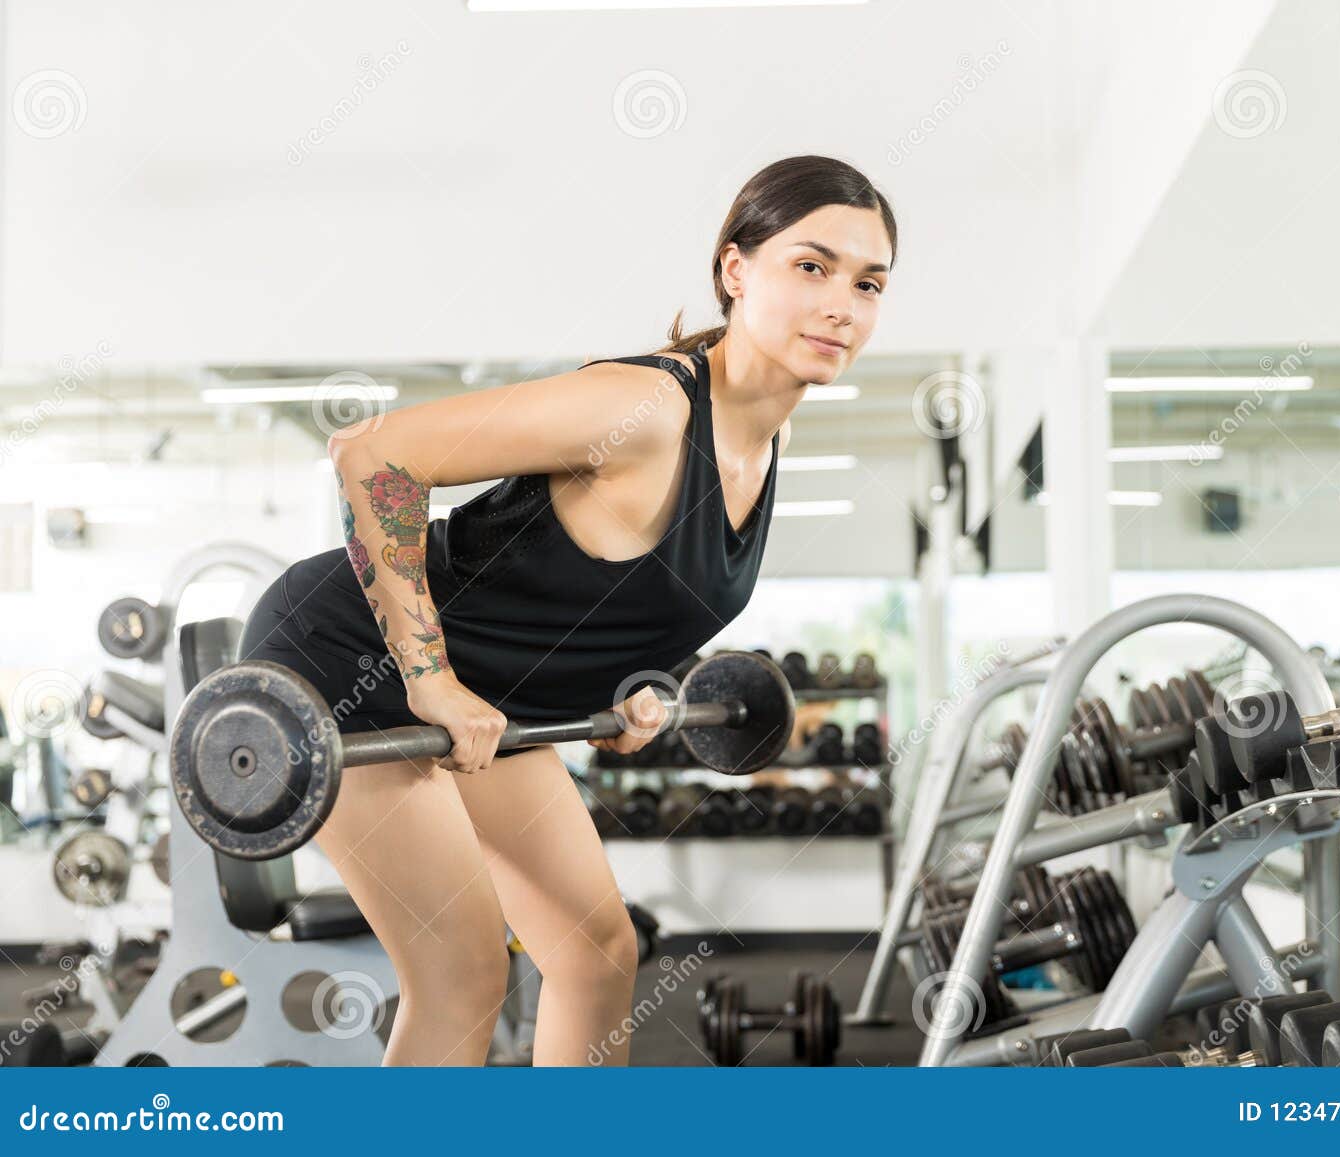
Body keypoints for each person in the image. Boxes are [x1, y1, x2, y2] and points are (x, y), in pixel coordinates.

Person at [238, 154, 898, 1065]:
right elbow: (374, 456)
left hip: (492, 696)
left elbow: (590, 584)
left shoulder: (765, 437)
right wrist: (427, 680)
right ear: (736, 270)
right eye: (812, 267)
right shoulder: (649, 407)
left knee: (598, 954)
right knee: (463, 973)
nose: (842, 305)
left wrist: (636, 685)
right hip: (344, 658)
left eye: (869, 283)